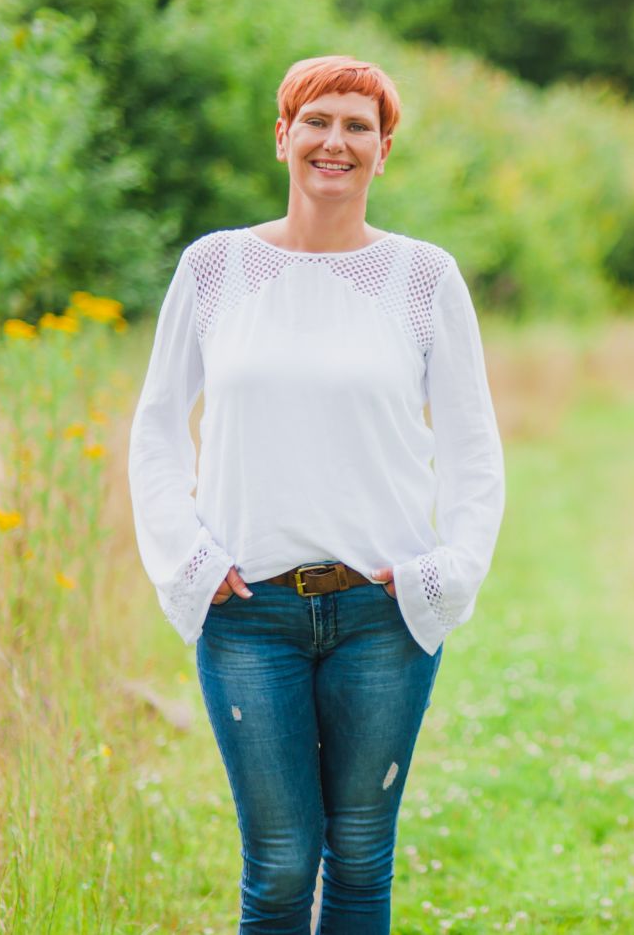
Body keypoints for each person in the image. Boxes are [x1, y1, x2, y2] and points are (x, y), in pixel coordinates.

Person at [127, 54, 506, 933]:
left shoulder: (424, 278)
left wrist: (448, 570)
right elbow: (155, 427)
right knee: (281, 864)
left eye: (358, 127)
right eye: (317, 121)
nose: (335, 141)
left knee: (364, 855)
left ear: (383, 153)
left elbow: (472, 447)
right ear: (282, 137)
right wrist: (187, 555)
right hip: (249, 611)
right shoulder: (215, 267)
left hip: (382, 611)